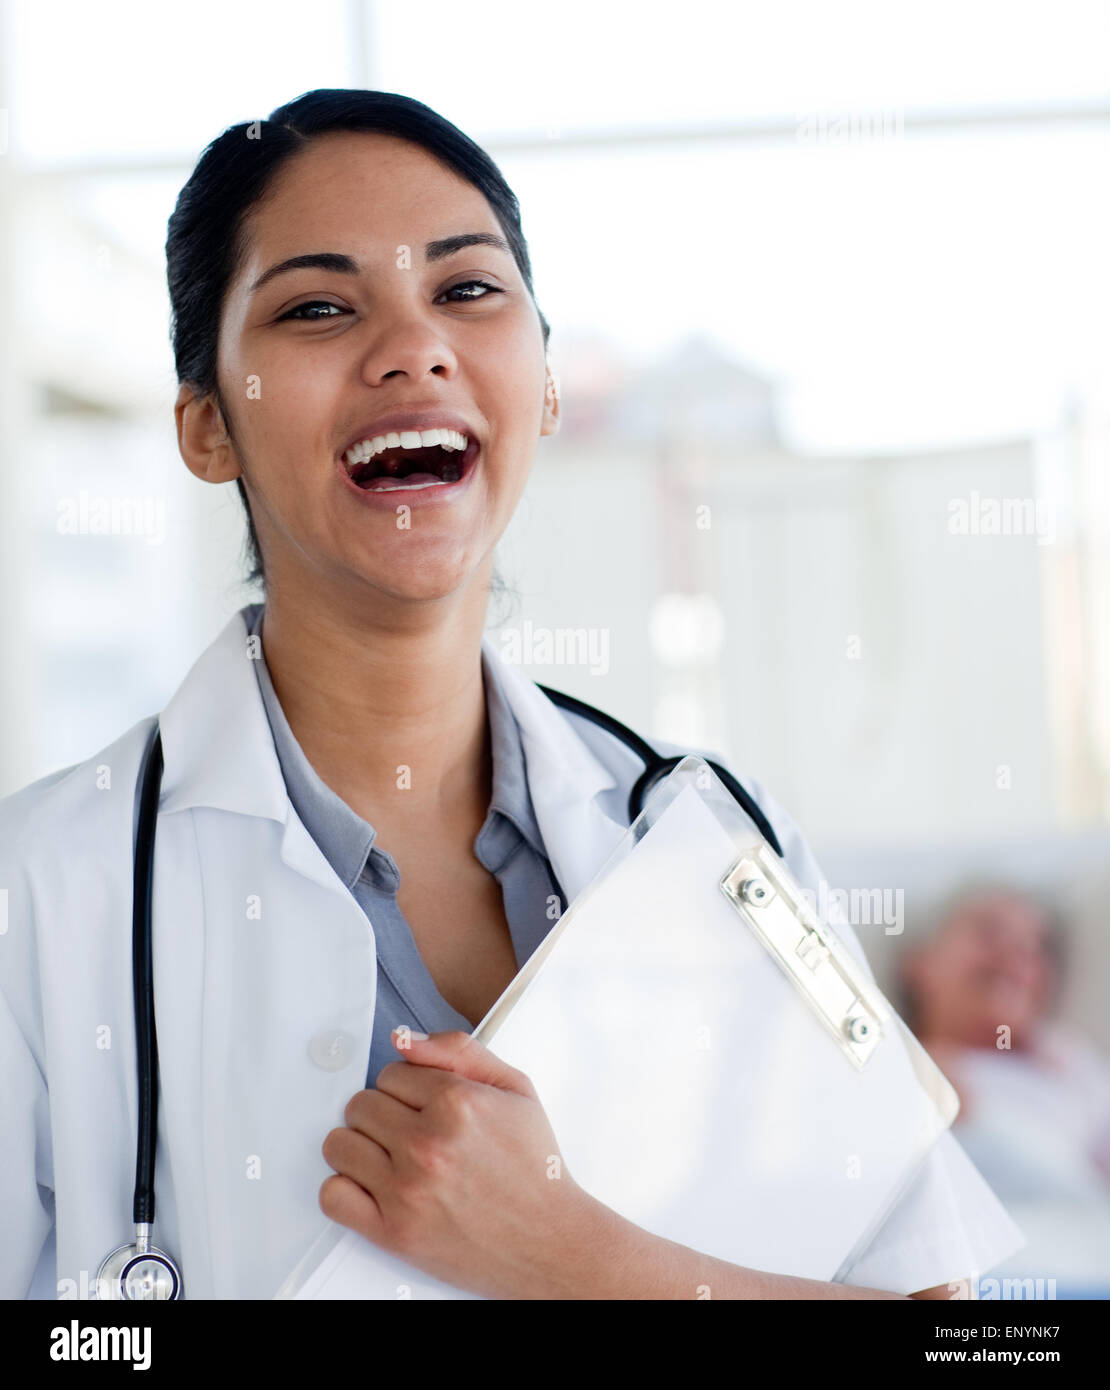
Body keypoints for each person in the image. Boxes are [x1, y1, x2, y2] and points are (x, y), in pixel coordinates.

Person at [0, 89, 1023, 1300]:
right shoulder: (44, 896)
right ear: (209, 427)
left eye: (467, 290)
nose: (411, 347)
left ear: (542, 383)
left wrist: (580, 1262)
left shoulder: (715, 835)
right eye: (319, 306)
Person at [900, 886, 1110, 1292]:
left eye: (1036, 949)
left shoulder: (1077, 1071)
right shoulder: (890, 1062)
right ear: (920, 964)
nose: (1015, 958)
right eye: (989, 934)